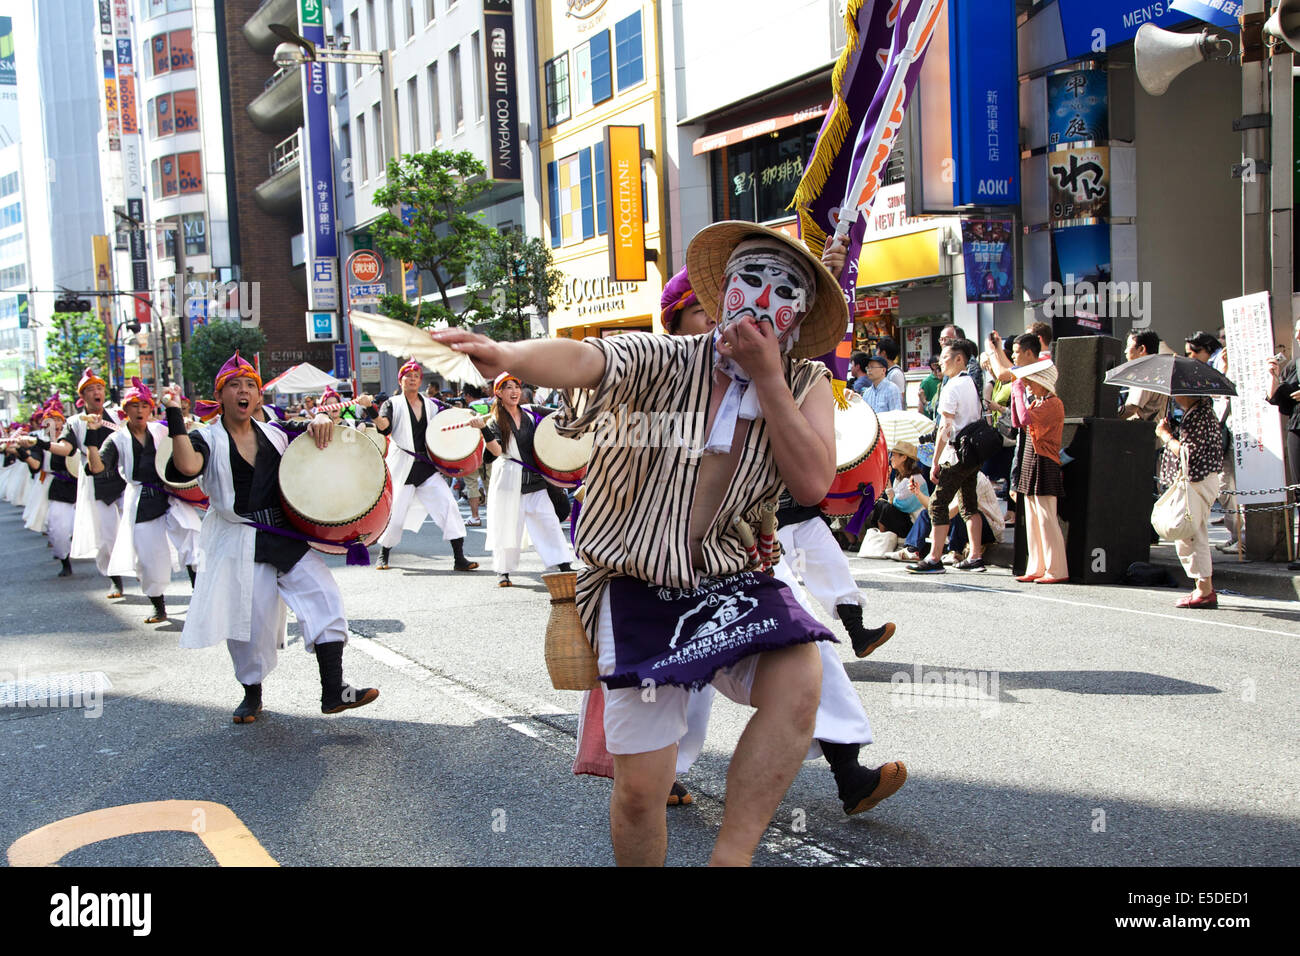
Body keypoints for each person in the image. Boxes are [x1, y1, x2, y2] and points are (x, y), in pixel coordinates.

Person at [433, 221, 865, 866]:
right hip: (636, 581)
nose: (764, 296)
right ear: (723, 294)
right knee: (641, 792)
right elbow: (589, 360)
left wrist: (768, 380)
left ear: (799, 317)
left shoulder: (805, 386)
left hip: (731, 576)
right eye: (751, 277)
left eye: (785, 289)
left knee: (801, 676)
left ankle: (732, 858)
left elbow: (812, 479)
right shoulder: (668, 357)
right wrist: (509, 355)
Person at [165, 353, 380, 722]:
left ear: (259, 397)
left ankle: (333, 689)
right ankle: (252, 694)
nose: (243, 391)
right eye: (234, 385)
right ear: (221, 396)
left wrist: (320, 418)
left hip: (282, 534)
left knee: (324, 595)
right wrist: (173, 415)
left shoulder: (276, 431)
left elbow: (315, 434)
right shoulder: (206, 438)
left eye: (250, 385)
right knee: (251, 626)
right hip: (239, 538)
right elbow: (186, 467)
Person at [86, 378, 202, 623]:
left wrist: (181, 415)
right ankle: (159, 607)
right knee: (149, 560)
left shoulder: (160, 429)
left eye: (144, 406)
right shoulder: (116, 440)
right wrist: (91, 436)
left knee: (194, 541)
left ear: (150, 409)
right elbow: (96, 468)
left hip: (169, 495)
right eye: (134, 406)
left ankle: (201, 599)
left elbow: (183, 434)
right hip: (141, 502)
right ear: (125, 411)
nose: (139, 411)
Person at [369, 360, 479, 573]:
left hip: (427, 466)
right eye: (407, 375)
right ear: (400, 380)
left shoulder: (431, 404)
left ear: (420, 380)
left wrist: (470, 417)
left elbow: (452, 416)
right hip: (403, 465)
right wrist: (370, 410)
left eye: (416, 375)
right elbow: (384, 427)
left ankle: (459, 557)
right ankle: (384, 554)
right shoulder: (391, 404)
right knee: (395, 514)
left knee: (448, 505)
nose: (412, 378)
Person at [472, 372, 574, 587]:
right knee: (508, 527)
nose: (514, 391)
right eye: (507, 387)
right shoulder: (494, 422)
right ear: (498, 393)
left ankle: (563, 563)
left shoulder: (531, 412)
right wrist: (483, 430)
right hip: (509, 482)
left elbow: (557, 416)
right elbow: (497, 451)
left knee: (549, 523)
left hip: (535, 482)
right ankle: (503, 571)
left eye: (516, 386)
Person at [908, 340, 986, 573]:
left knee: (938, 503)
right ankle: (975, 556)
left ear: (959, 359)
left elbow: (945, 426)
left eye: (944, 357)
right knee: (969, 504)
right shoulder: (971, 383)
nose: (940, 362)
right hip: (972, 452)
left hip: (955, 453)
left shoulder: (951, 386)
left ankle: (934, 558)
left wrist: (934, 461)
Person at [1156, 391, 1223, 608]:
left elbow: (1189, 454)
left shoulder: (1199, 415)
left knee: (1192, 534)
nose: (1174, 396)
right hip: (1201, 480)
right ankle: (1203, 587)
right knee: (1192, 533)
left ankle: (1204, 590)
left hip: (1197, 481)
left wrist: (1166, 436)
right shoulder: (1200, 412)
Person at [1012, 361, 1068, 583]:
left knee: (1046, 517)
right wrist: (1019, 396)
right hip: (1032, 459)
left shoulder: (1053, 404)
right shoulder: (1037, 402)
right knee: (1033, 517)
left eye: (1031, 382)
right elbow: (1018, 421)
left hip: (1045, 460)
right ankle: (1037, 566)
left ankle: (1056, 569)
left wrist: (1017, 392)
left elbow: (1023, 419)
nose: (1028, 386)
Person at [27, 398, 78, 576]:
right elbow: (35, 465)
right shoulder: (38, 441)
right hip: (58, 487)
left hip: (83, 485)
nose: (55, 425)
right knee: (58, 528)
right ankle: (65, 560)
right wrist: (22, 453)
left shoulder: (74, 434)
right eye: (50, 422)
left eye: (58, 420)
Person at [1267, 318, 1300, 570]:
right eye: (1297, 333)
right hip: (1297, 430)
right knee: (1299, 491)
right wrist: (1274, 376)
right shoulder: (1294, 366)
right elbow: (1276, 400)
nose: (1298, 337)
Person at [866, 440, 930, 540]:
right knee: (880, 505)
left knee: (886, 508)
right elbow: (892, 500)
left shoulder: (915, 478)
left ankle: (884, 539)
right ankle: (882, 539)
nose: (891, 458)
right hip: (905, 520)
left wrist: (887, 480)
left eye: (894, 455)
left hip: (915, 526)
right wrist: (887, 477)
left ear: (904, 457)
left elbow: (894, 503)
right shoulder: (899, 477)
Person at [1119, 331, 1169, 423]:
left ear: (1142, 349)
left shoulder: (1143, 373)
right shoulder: (1160, 371)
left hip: (1140, 435)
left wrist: (1107, 415)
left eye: (1128, 346)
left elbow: (1131, 409)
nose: (1125, 351)